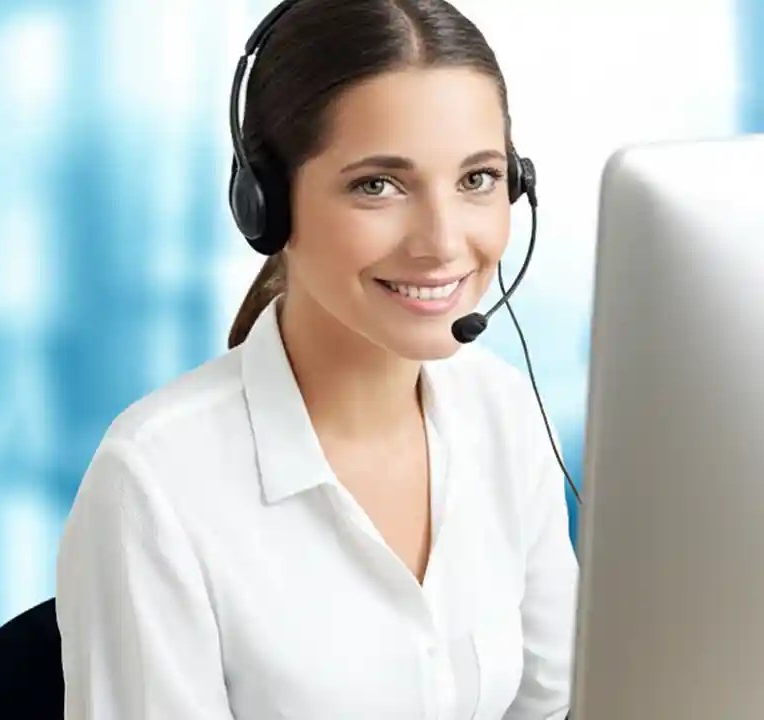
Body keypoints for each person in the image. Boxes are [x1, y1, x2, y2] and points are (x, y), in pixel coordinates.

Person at [55, 0, 579, 717]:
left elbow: (555, 705)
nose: (443, 241)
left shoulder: (504, 413)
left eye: (477, 179)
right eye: (377, 185)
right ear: (266, 205)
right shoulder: (156, 480)